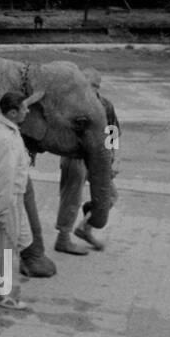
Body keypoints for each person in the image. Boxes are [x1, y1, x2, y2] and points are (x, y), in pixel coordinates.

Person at [0, 90, 42, 310]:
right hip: (6, 199)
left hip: (3, 196)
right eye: (24, 108)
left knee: (14, 242)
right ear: (13, 113)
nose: (27, 111)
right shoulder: (6, 141)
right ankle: (3, 295)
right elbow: (3, 179)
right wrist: (3, 211)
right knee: (7, 247)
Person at [55, 80, 120, 255]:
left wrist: (111, 159)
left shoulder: (106, 105)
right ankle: (63, 239)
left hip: (98, 159)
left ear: (98, 86)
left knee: (110, 196)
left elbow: (112, 131)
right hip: (74, 156)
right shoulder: (72, 104)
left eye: (92, 86)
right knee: (71, 198)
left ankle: (86, 227)